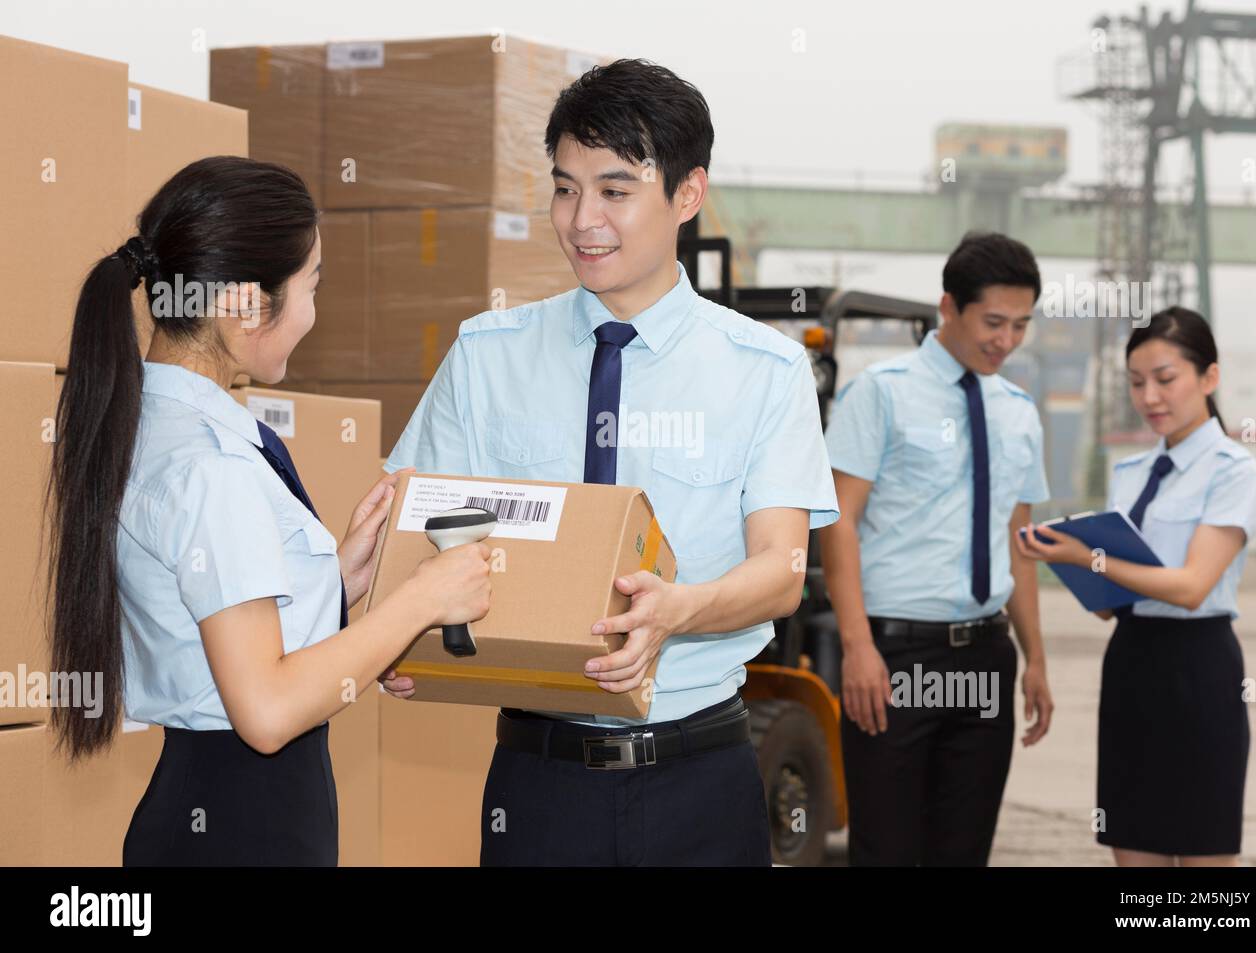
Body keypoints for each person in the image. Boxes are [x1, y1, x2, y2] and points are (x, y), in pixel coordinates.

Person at [380, 59, 838, 866]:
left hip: (701, 780)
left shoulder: (763, 371)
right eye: (565, 188)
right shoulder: (487, 356)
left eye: (615, 191)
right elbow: (414, 530)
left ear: (687, 195)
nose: (582, 218)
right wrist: (397, 633)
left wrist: (676, 611)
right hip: (537, 782)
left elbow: (781, 571)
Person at [47, 156, 492, 866]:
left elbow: (223, 623)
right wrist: (420, 602)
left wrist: (338, 578)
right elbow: (267, 710)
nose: (313, 313)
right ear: (249, 305)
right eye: (311, 286)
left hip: (212, 807)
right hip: (243, 826)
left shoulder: (155, 422)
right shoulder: (211, 466)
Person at [820, 231, 1055, 866]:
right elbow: (838, 522)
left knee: (964, 851)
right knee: (888, 850)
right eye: (994, 322)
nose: (1006, 340)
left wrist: (1034, 658)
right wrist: (858, 646)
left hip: (985, 652)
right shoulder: (882, 392)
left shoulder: (1019, 411)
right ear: (949, 307)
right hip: (897, 656)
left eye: (1021, 325)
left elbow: (1019, 542)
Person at [1016, 306, 1256, 867]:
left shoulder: (1233, 471)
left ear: (1209, 377)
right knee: (1135, 853)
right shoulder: (1130, 472)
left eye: (1165, 379)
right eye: (1136, 383)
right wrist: (1066, 559)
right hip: (1131, 664)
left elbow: (1191, 587)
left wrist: (1093, 557)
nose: (1150, 396)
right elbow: (1115, 606)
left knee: (1204, 864)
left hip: (1200, 670)